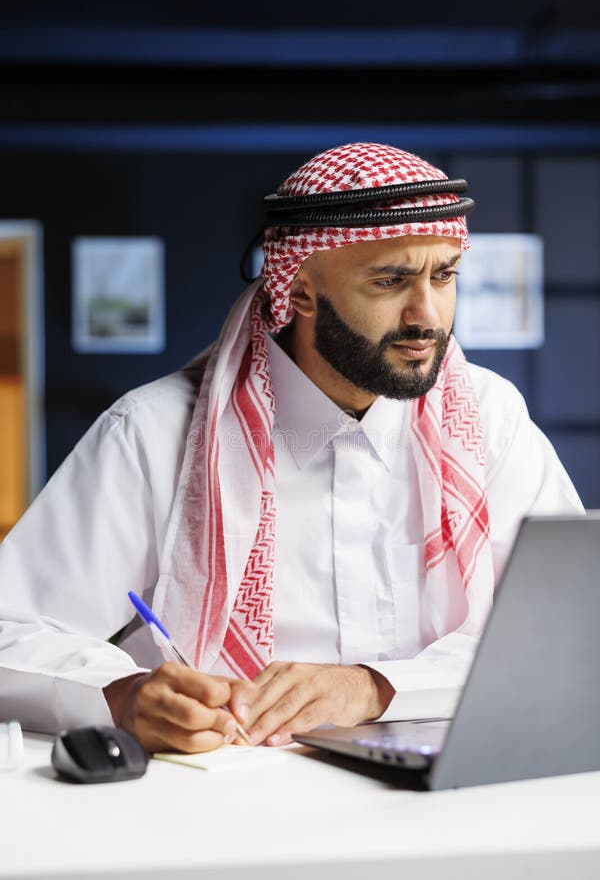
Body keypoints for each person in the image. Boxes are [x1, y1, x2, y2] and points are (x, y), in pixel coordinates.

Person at [0, 143, 583, 753]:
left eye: (443, 276)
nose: (428, 316)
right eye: (390, 280)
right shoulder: (152, 433)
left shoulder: (491, 420)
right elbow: (13, 629)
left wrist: (376, 688)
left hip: (444, 800)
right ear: (300, 290)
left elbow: (571, 625)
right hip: (219, 810)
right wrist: (123, 694)